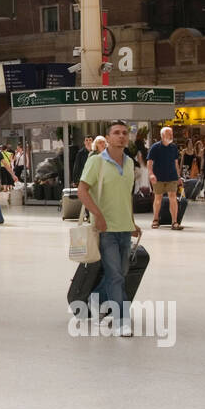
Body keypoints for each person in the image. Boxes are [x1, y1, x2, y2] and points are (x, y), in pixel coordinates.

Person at [76, 120, 142, 337]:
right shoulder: (97, 162)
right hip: (105, 229)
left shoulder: (130, 163)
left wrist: (132, 222)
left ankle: (95, 299)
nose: (121, 136)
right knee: (115, 274)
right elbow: (82, 191)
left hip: (124, 227)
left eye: (125, 133)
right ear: (108, 137)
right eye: (116, 133)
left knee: (121, 272)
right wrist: (98, 215)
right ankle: (122, 320)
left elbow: (126, 196)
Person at [147, 126, 182, 229]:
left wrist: (179, 176)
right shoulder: (155, 147)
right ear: (162, 136)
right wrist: (151, 174)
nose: (171, 136)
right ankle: (155, 219)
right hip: (158, 177)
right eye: (169, 134)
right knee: (158, 198)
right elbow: (149, 163)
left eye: (171, 134)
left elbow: (176, 163)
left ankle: (174, 222)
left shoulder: (174, 147)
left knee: (173, 198)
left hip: (172, 176)